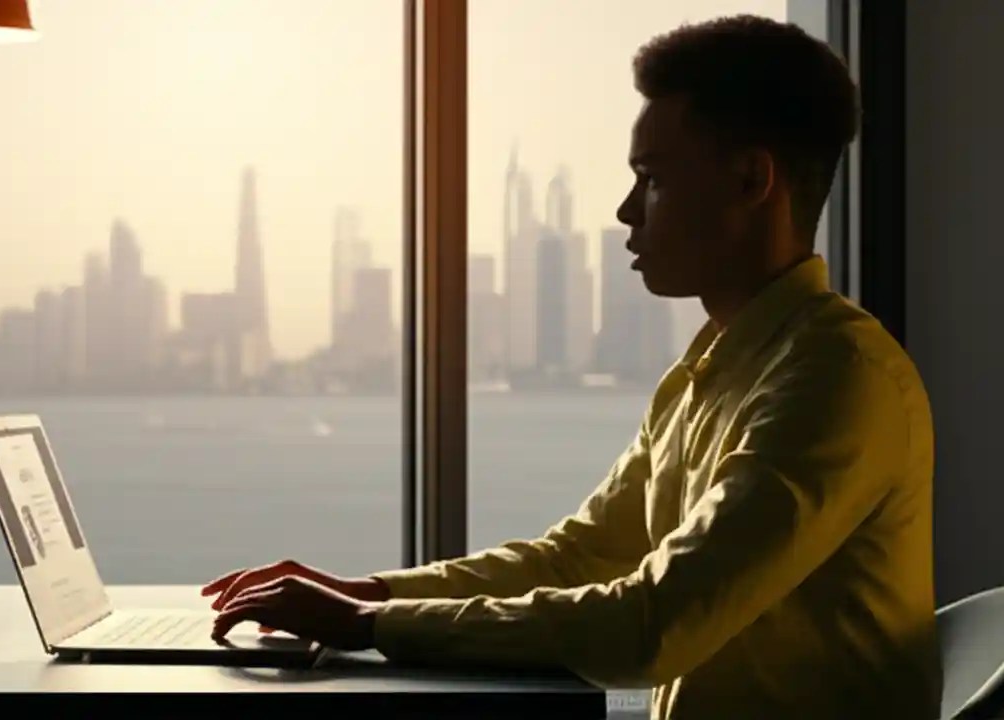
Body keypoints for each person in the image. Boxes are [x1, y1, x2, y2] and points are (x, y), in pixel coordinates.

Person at [202, 14, 942, 719]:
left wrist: (370, 623)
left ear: (752, 181)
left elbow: (652, 624)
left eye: (651, 177)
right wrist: (368, 593)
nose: (626, 210)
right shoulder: (710, 370)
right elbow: (577, 558)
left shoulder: (836, 379)